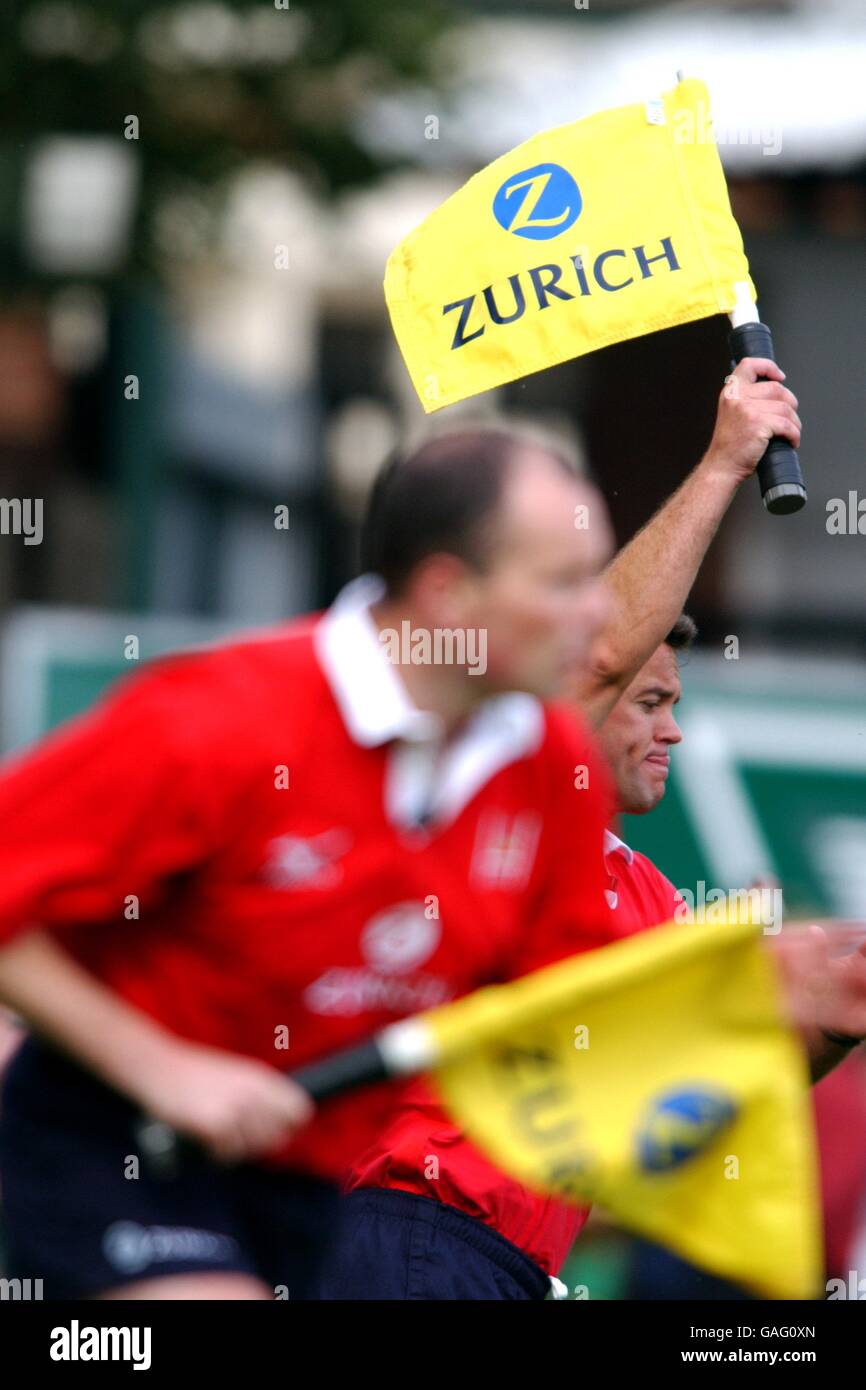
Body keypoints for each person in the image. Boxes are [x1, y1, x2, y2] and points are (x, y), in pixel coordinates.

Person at [0, 425, 621, 1301]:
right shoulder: (222, 718)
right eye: (563, 582)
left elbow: (552, 1013)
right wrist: (166, 1071)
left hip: (313, 1183)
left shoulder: (554, 762)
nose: (599, 611)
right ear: (446, 592)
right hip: (117, 1141)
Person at [318, 360, 866, 1300]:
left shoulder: (645, 899)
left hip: (498, 1264)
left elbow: (756, 1039)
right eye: (647, 700)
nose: (673, 729)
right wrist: (728, 459)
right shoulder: (509, 796)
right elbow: (606, 647)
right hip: (408, 1240)